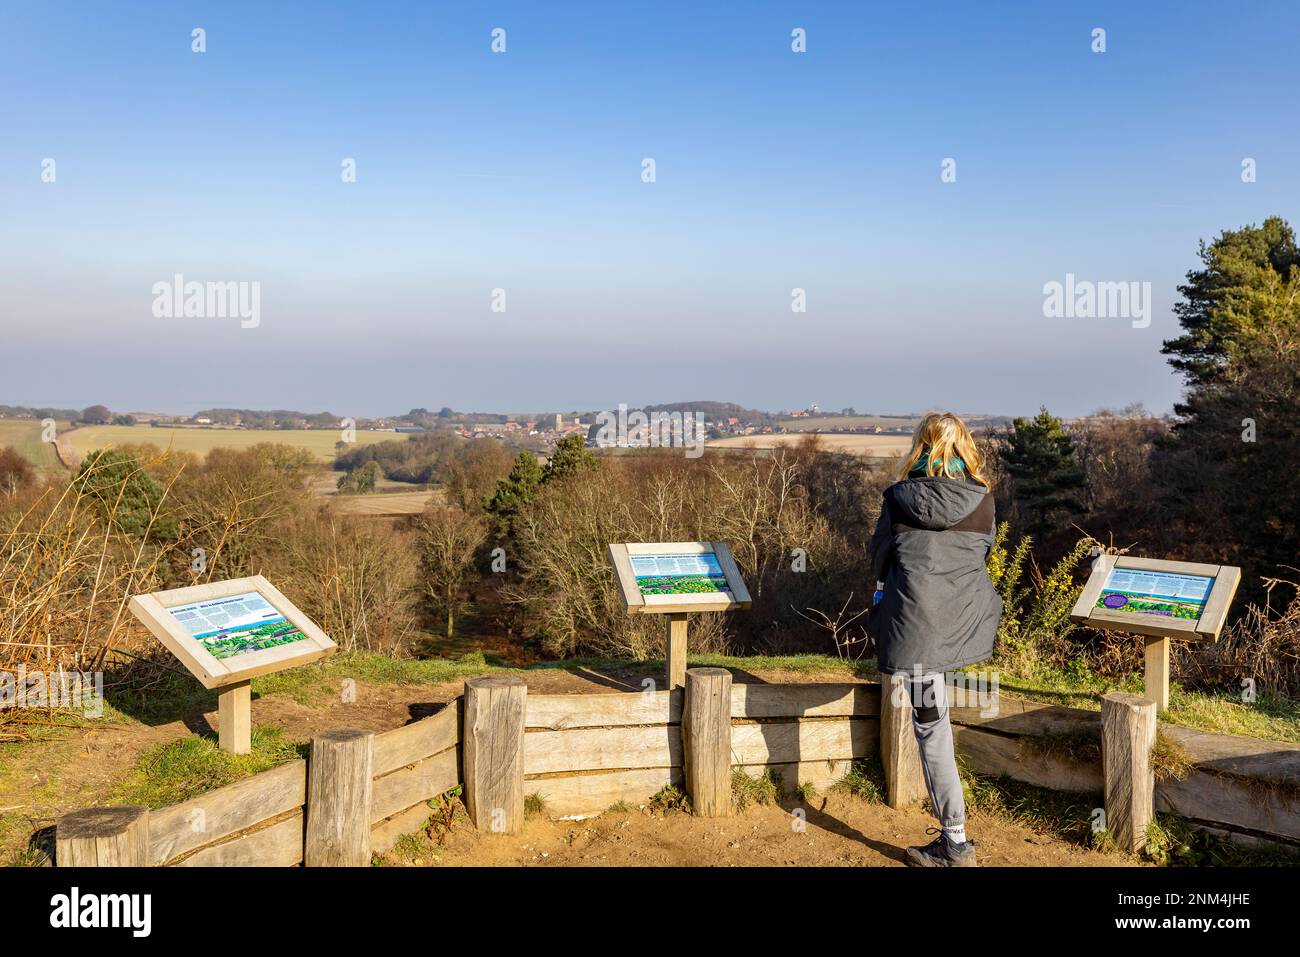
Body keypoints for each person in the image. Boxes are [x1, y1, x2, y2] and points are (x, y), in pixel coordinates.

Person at [867, 411, 1002, 867]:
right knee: (936, 718)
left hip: (918, 632)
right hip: (964, 624)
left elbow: (879, 558)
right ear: (964, 447)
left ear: (920, 447)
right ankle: (954, 836)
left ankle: (956, 842)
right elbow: (984, 552)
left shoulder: (898, 499)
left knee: (931, 727)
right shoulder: (984, 501)